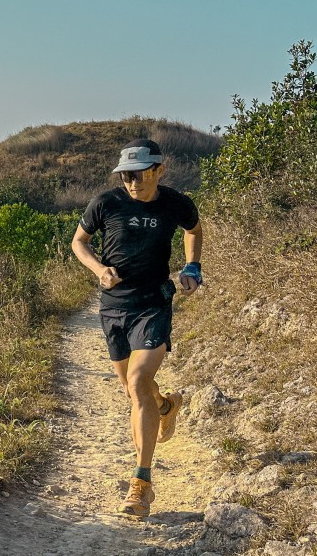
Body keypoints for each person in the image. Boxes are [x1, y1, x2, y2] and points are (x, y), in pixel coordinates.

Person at [70, 138, 203, 517]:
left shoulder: (175, 203)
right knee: (134, 389)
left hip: (153, 303)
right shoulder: (106, 203)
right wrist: (99, 269)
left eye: (139, 174)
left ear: (159, 170)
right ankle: (165, 406)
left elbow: (194, 230)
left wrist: (192, 266)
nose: (131, 182)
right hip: (114, 306)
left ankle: (141, 484)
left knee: (138, 380)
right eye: (125, 175)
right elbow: (79, 242)